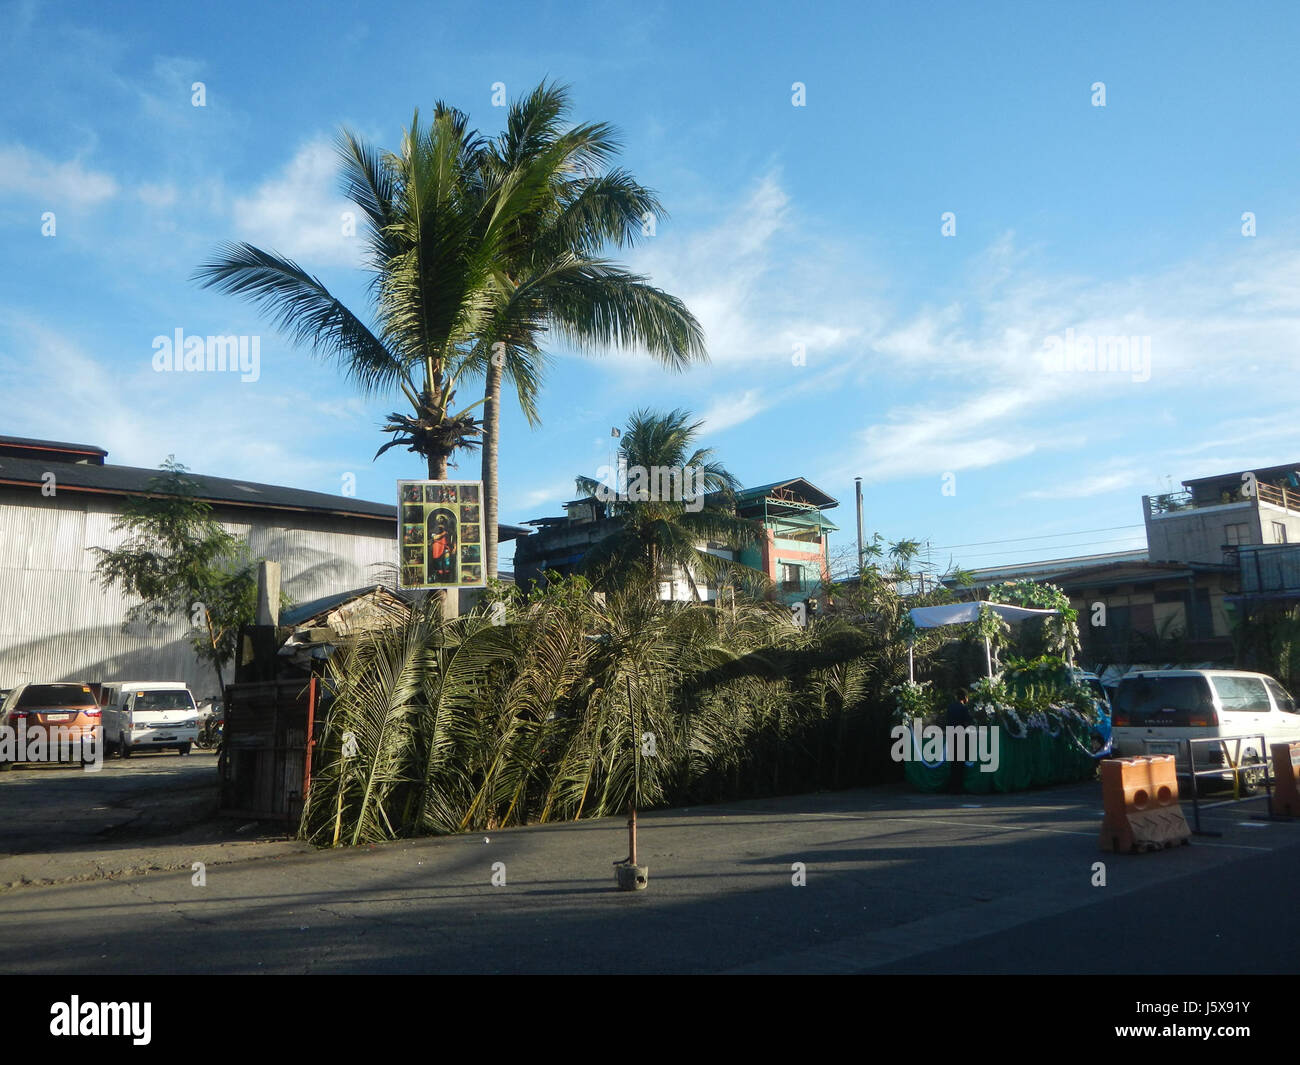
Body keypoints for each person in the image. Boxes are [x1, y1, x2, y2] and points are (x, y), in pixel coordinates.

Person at [944, 688, 971, 794]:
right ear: (965, 697)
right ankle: (958, 787)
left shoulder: (950, 707)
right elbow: (968, 721)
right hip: (961, 735)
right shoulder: (964, 708)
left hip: (951, 735)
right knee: (960, 763)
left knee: (953, 762)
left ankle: (952, 786)